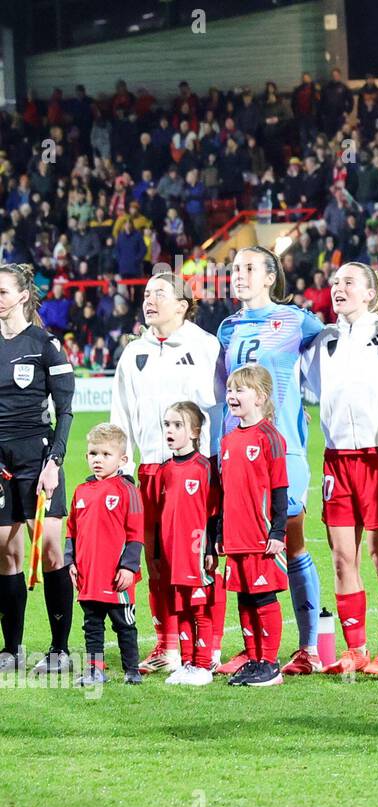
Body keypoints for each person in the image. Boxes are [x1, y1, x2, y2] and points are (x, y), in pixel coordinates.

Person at [215, 246, 325, 677]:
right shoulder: (228, 328)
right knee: (244, 546)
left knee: (288, 540)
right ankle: (255, 650)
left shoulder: (299, 320)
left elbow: (327, 356)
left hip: (285, 449)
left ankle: (309, 646)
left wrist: (307, 407)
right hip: (237, 451)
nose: (238, 275)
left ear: (269, 276)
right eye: (234, 269)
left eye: (247, 268)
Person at [111, 273, 221, 674]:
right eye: (145, 294)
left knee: (197, 558)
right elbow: (120, 413)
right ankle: (167, 645)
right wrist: (122, 469)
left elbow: (218, 411)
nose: (149, 300)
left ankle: (208, 645)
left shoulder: (206, 346)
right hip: (149, 469)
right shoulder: (134, 353)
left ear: (182, 303)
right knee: (154, 559)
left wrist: (213, 466)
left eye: (159, 293)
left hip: (194, 469)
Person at [304, 262, 378, 676]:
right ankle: (356, 650)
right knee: (342, 558)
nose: (337, 288)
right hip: (337, 458)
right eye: (333, 282)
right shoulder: (324, 339)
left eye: (348, 282)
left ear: (370, 292)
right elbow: (310, 388)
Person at [0, 263, 76, 676]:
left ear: (23, 296)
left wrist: (55, 461)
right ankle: (10, 649)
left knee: (48, 550)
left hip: (38, 458)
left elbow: (65, 410)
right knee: (6, 553)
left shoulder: (45, 344)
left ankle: (60, 650)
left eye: (3, 292)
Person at [217, 364, 290, 687]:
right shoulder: (229, 440)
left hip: (260, 536)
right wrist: (219, 532)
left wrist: (278, 531)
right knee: (244, 598)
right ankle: (253, 657)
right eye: (230, 390)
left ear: (259, 397)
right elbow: (224, 493)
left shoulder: (270, 437)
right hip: (234, 535)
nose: (232, 396)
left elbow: (279, 489)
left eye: (240, 390)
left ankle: (270, 663)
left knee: (262, 598)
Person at [66, 423, 144, 687]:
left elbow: (136, 534)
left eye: (105, 454)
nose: (97, 459)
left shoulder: (127, 490)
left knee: (124, 626)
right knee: (92, 626)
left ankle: (132, 670)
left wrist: (129, 568)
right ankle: (95, 671)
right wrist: (71, 562)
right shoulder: (81, 491)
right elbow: (71, 531)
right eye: (93, 453)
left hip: (116, 577)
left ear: (122, 459)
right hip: (88, 575)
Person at [157, 402, 219, 686]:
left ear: (194, 432)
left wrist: (211, 548)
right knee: (179, 608)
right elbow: (162, 514)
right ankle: (187, 663)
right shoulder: (165, 469)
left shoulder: (205, 467)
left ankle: (204, 665)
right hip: (174, 554)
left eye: (177, 425)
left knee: (199, 609)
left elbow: (215, 511)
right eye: (167, 424)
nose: (170, 430)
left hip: (196, 552)